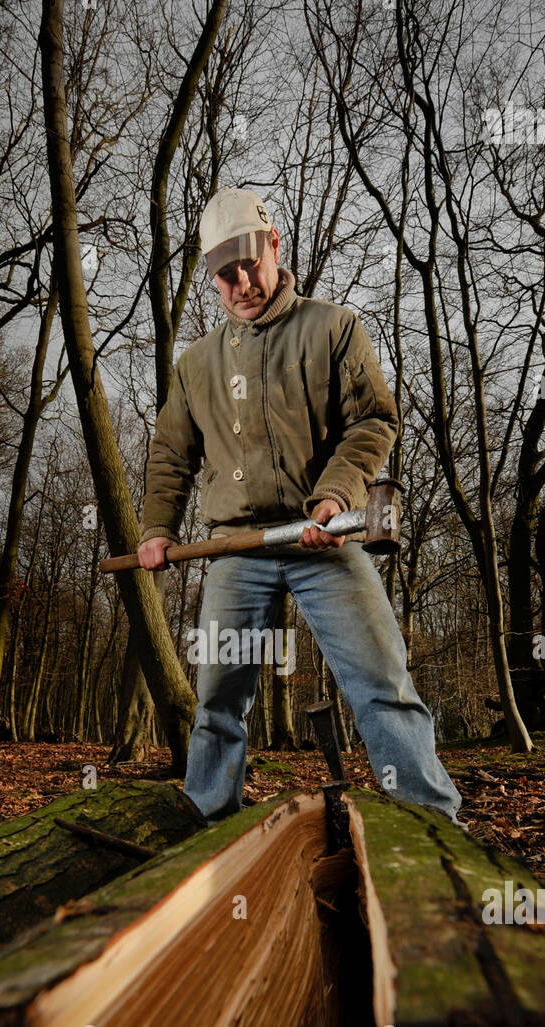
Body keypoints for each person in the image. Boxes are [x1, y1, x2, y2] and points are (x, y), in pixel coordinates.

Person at [138, 187, 461, 826]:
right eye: (224, 275)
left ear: (275, 246)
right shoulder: (196, 365)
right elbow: (171, 454)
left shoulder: (332, 329)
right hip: (236, 548)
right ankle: (208, 823)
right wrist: (156, 527)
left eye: (249, 265)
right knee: (217, 697)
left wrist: (336, 496)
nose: (241, 285)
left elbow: (373, 420)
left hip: (325, 537)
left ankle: (429, 820)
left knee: (381, 680)